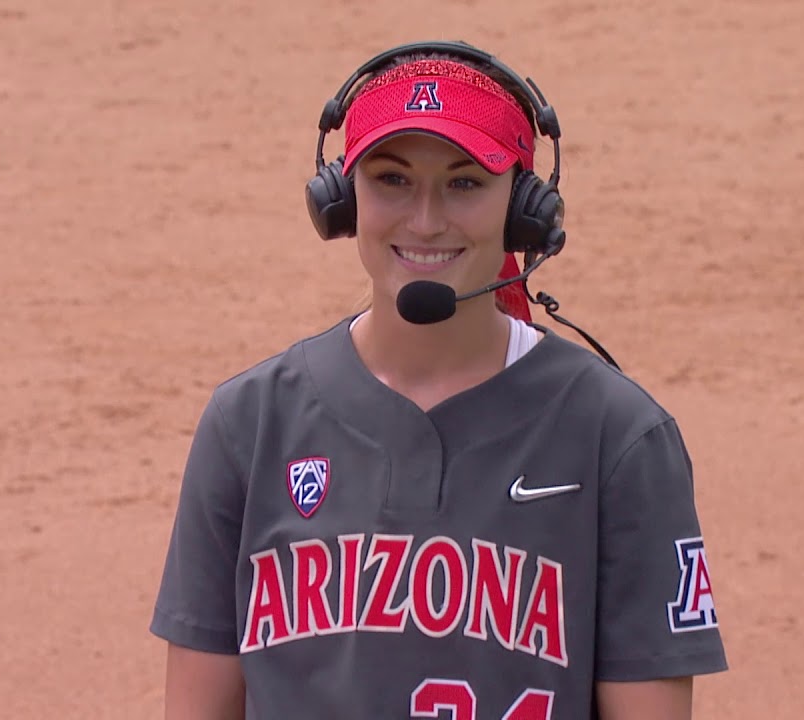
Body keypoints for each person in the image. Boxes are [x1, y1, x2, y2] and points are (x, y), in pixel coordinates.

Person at [149, 40, 728, 719]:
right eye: (391, 179)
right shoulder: (249, 424)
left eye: (465, 183)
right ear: (342, 199)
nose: (425, 221)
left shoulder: (617, 438)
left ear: (525, 207)